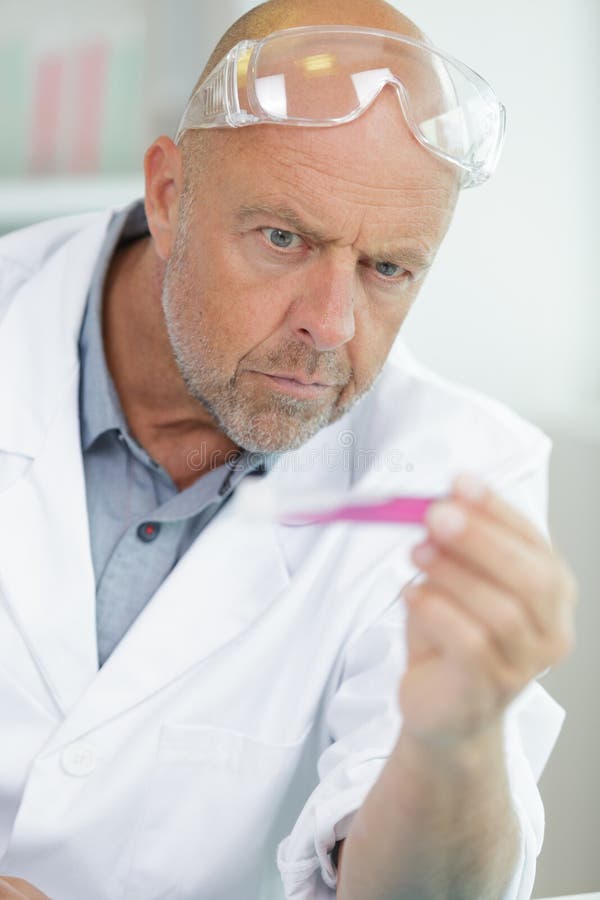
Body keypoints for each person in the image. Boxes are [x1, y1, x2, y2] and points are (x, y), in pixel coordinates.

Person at [0, 1, 576, 898]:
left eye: (387, 269)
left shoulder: (457, 475)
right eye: (283, 239)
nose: (332, 326)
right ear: (168, 194)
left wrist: (452, 742)